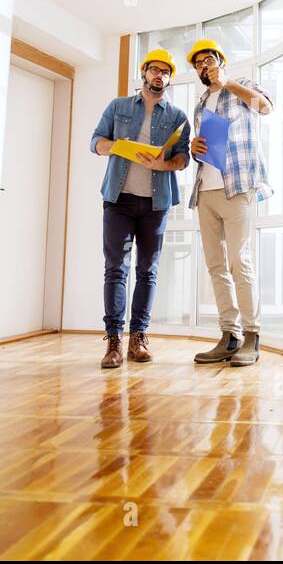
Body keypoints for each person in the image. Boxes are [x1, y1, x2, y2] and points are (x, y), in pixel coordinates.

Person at [90, 48, 190, 369]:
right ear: (144, 72)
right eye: (155, 70)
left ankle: (138, 337)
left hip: (155, 204)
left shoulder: (177, 117)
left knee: (148, 270)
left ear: (169, 79)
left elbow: (184, 158)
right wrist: (116, 146)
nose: (159, 75)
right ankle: (114, 342)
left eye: (165, 72)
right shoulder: (118, 106)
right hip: (118, 200)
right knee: (115, 269)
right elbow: (95, 141)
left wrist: (166, 164)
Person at [185, 38, 273, 367]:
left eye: (209, 60)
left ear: (222, 62)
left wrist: (230, 84)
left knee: (240, 260)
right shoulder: (200, 103)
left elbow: (265, 107)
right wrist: (195, 149)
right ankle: (229, 335)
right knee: (216, 266)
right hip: (205, 190)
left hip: (237, 187)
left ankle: (252, 335)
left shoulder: (242, 87)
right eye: (198, 64)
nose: (204, 67)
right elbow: (202, 149)